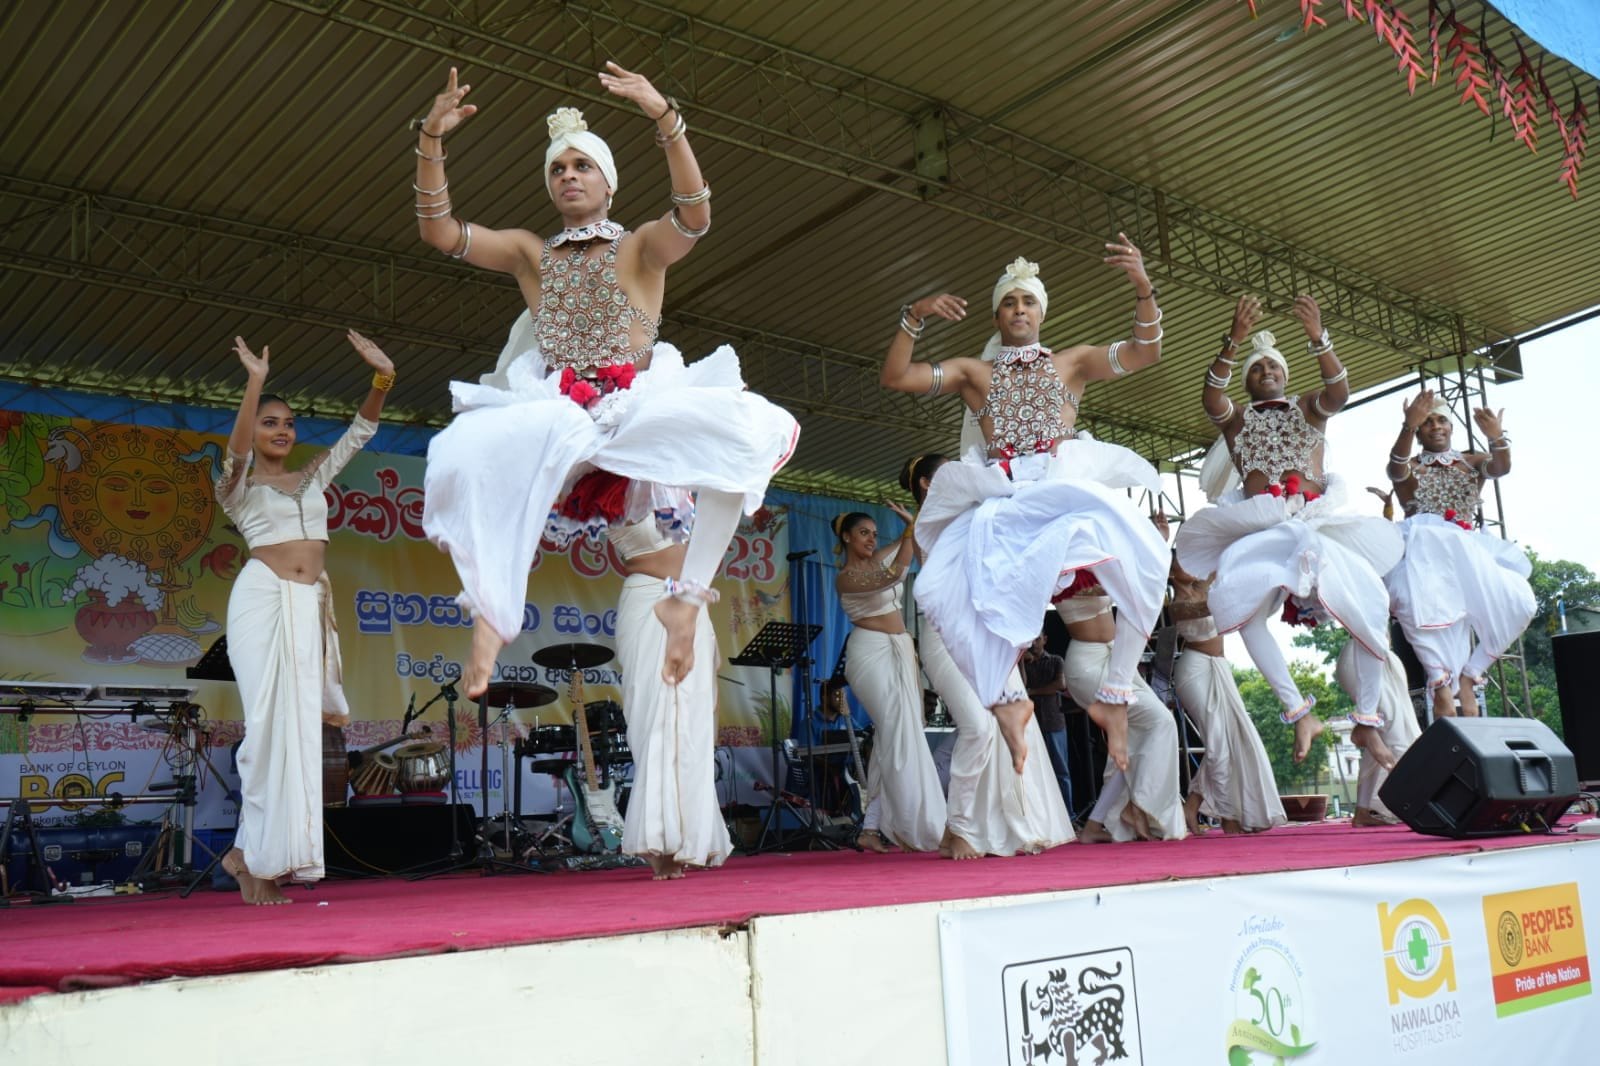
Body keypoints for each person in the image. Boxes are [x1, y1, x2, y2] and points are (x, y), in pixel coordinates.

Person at [411, 64, 798, 699]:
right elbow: (440, 232)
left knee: (748, 433)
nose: (568, 175)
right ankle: (490, 611)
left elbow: (695, 216)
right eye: (557, 169)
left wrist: (663, 118)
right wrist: (431, 142)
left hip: (636, 405)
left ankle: (688, 597)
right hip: (562, 411)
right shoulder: (530, 254)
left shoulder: (638, 246)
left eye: (581, 166)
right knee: (464, 451)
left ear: (608, 183)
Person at [880, 246, 1171, 780]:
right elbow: (897, 377)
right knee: (944, 591)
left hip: (1062, 489)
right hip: (1006, 496)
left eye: (1028, 302)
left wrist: (1143, 286)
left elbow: (1145, 353)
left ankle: (1114, 691)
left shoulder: (1072, 363)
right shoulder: (975, 373)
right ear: (997, 317)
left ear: (1041, 313)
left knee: (1145, 564)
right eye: (1009, 302)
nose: (1019, 309)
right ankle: (1007, 700)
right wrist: (914, 316)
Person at [1175, 295, 1403, 770]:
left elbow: (1338, 392)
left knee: (1371, 615)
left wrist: (1318, 335)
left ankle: (1366, 720)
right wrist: (1233, 341)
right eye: (1256, 370)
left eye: (1272, 367)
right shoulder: (1238, 421)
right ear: (1248, 381)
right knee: (1241, 613)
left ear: (1285, 373)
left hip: (1317, 524)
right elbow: (1211, 398)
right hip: (1263, 528)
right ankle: (1298, 711)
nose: (1265, 373)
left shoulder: (1309, 408)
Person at [213, 331, 394, 904]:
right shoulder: (236, 488)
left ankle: (251, 856)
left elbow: (360, 433)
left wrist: (381, 379)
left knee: (295, 734)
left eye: (287, 422)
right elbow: (236, 451)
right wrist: (254, 385)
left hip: (306, 603)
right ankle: (257, 865)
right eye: (271, 422)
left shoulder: (313, 478)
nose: (281, 430)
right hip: (263, 599)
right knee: (267, 731)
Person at [901, 454, 1075, 859]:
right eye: (950, 470)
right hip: (946, 636)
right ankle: (960, 826)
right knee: (979, 727)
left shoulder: (978, 516)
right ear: (928, 484)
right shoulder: (930, 522)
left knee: (1011, 731)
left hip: (988, 635)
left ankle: (997, 826)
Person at [1383, 391, 1534, 720]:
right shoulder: (1409, 466)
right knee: (1426, 626)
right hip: (1424, 558)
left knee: (1520, 604)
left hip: (1466, 556)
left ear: (1451, 427)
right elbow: (1394, 468)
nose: (1434, 426)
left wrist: (1497, 437)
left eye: (1440, 420)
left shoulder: (1471, 462)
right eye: (1426, 423)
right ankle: (1443, 690)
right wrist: (1407, 426)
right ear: (1418, 432)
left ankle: (1470, 674)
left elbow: (1501, 467)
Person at [610, 505, 731, 879]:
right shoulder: (612, 483)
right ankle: (659, 841)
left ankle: (692, 836)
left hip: (690, 606)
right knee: (655, 721)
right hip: (649, 600)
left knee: (692, 724)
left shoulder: (677, 486)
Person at [834, 511, 945, 852]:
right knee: (897, 731)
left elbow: (899, 549)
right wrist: (909, 534)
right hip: (870, 654)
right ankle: (915, 822)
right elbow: (896, 573)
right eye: (863, 532)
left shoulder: (874, 562)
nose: (871, 538)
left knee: (890, 737)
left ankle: (871, 828)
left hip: (897, 649)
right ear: (847, 538)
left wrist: (909, 530)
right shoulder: (847, 577)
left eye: (874, 532)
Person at [1055, 574, 1186, 843]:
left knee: (1130, 743)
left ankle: (1094, 826)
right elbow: (1100, 588)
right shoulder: (1061, 566)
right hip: (1088, 663)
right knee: (1160, 721)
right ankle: (1137, 804)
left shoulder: (1100, 562)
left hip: (1115, 659)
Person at [1169, 556, 1287, 835]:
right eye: (1182, 564)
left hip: (1219, 668)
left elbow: (1221, 563)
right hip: (1195, 669)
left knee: (1232, 740)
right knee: (1218, 744)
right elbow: (1210, 604)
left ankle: (1195, 802)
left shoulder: (1205, 588)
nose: (1191, 567)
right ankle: (1227, 815)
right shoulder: (1177, 602)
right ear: (1172, 571)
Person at [1333, 639, 1422, 827]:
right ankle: (1421, 804)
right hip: (1362, 655)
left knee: (1383, 736)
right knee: (1394, 733)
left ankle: (1362, 811)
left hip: (1382, 658)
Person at [1021, 635, 1075, 818]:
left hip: (1053, 721)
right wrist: (1020, 660)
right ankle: (1044, 818)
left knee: (1061, 770)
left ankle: (1069, 816)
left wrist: (1032, 692)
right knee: (1035, 772)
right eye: (1031, 640)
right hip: (1032, 723)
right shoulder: (1026, 663)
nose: (1033, 643)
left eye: (1037, 639)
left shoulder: (1055, 660)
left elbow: (1060, 684)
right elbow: (1022, 685)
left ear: (1045, 639)